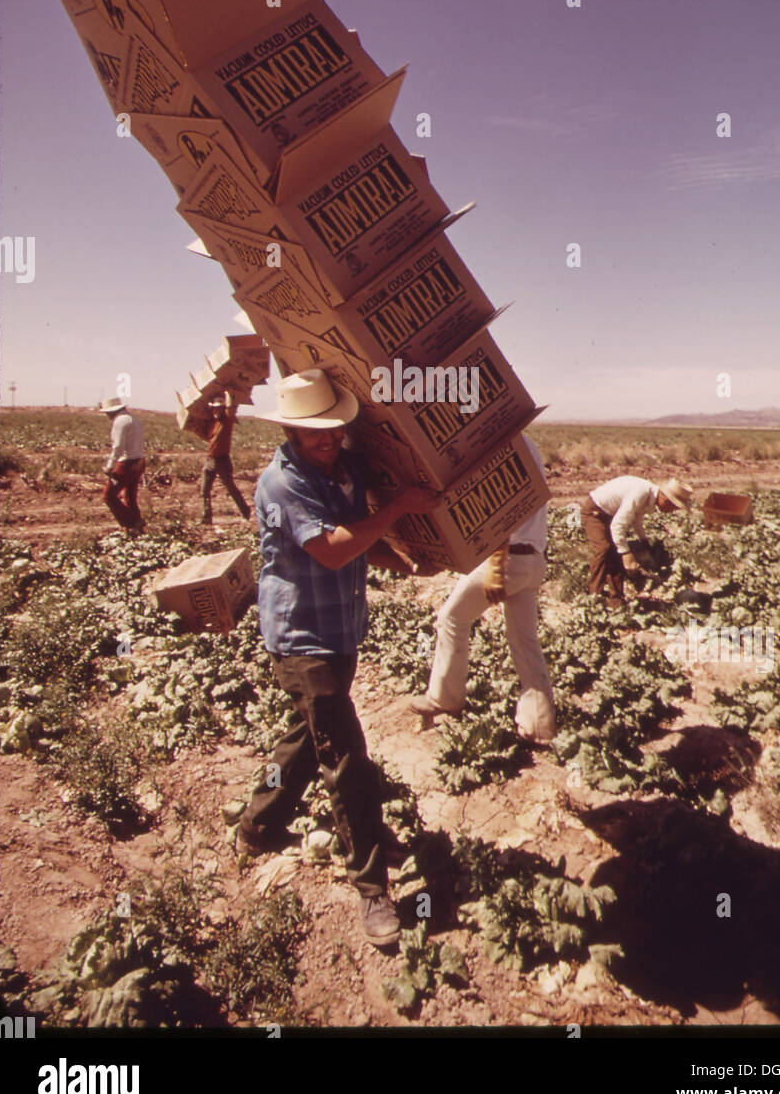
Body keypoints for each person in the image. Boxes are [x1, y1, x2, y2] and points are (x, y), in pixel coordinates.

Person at [236, 368, 439, 948]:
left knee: (308, 737)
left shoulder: (344, 468)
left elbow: (357, 538)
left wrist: (403, 563)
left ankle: (258, 824)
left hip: (340, 627)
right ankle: (372, 887)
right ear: (291, 432)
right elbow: (330, 550)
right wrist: (398, 509)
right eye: (315, 435)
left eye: (333, 432)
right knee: (345, 757)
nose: (328, 442)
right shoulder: (281, 484)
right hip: (301, 636)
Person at [408, 434, 557, 744]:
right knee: (524, 642)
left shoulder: (496, 450)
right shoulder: (529, 445)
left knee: (451, 618)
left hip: (508, 560)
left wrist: (495, 567)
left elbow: (499, 515)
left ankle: (444, 698)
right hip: (534, 560)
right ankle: (540, 724)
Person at [581, 474, 693, 605]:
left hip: (608, 514)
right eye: (673, 506)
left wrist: (644, 541)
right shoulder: (641, 493)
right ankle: (593, 596)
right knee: (604, 549)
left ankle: (616, 600)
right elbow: (617, 525)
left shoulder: (648, 495)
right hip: (595, 511)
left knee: (615, 553)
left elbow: (636, 518)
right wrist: (626, 553)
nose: (672, 510)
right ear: (665, 498)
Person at [198, 391, 250, 525]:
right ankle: (206, 518)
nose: (216, 410)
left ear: (222, 408)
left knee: (231, 488)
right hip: (210, 460)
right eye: (214, 408)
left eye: (219, 408)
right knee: (204, 490)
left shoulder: (227, 420)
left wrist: (227, 392)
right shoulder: (211, 423)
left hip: (222, 460)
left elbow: (231, 408)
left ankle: (245, 512)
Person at [99, 397, 146, 532]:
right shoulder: (133, 419)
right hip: (140, 461)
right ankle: (136, 531)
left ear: (112, 411)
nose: (107, 415)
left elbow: (118, 446)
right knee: (130, 497)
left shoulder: (119, 421)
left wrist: (110, 466)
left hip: (127, 463)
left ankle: (133, 522)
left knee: (108, 496)